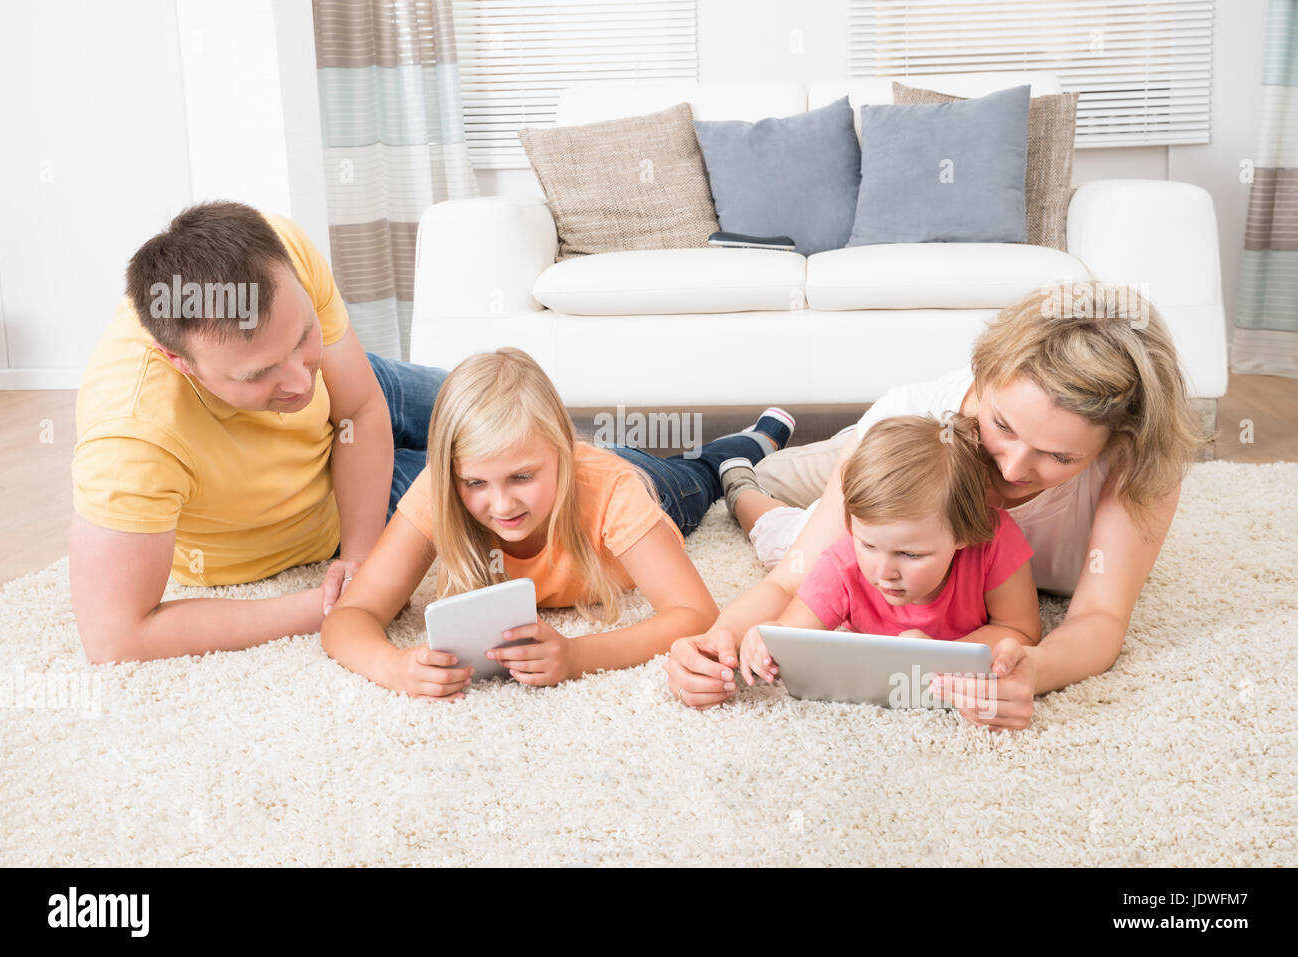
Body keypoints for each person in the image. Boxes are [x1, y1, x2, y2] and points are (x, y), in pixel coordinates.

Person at [667, 280, 1210, 729]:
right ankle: (739, 473)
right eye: (1002, 425)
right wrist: (720, 638)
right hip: (896, 445)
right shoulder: (907, 425)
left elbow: (1100, 617)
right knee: (782, 524)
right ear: (982, 377)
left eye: (1058, 456)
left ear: (1118, 442)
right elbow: (791, 582)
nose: (1013, 470)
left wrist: (1031, 670)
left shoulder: (1141, 464)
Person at [71, 201, 446, 663]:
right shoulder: (131, 439)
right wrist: (344, 600)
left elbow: (359, 407)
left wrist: (362, 558)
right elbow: (115, 639)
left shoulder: (276, 250)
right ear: (181, 363)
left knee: (514, 410)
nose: (301, 383)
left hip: (358, 390)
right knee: (509, 478)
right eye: (258, 373)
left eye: (302, 335)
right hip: (316, 513)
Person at [321, 347, 794, 699]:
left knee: (701, 474)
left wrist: (575, 656)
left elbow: (695, 614)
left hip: (658, 486)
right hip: (587, 468)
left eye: (522, 477)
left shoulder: (611, 491)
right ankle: (742, 447)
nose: (501, 503)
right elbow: (348, 619)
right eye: (476, 482)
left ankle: (745, 446)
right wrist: (394, 667)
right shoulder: (441, 488)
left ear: (563, 453)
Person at [739, 413, 1040, 687]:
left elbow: (1020, 630)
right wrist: (765, 640)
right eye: (868, 546)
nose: (884, 573)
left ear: (964, 531)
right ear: (850, 525)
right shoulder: (842, 561)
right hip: (794, 528)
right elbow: (791, 635)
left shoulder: (995, 540)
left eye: (909, 555)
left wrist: (946, 655)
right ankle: (739, 483)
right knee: (770, 531)